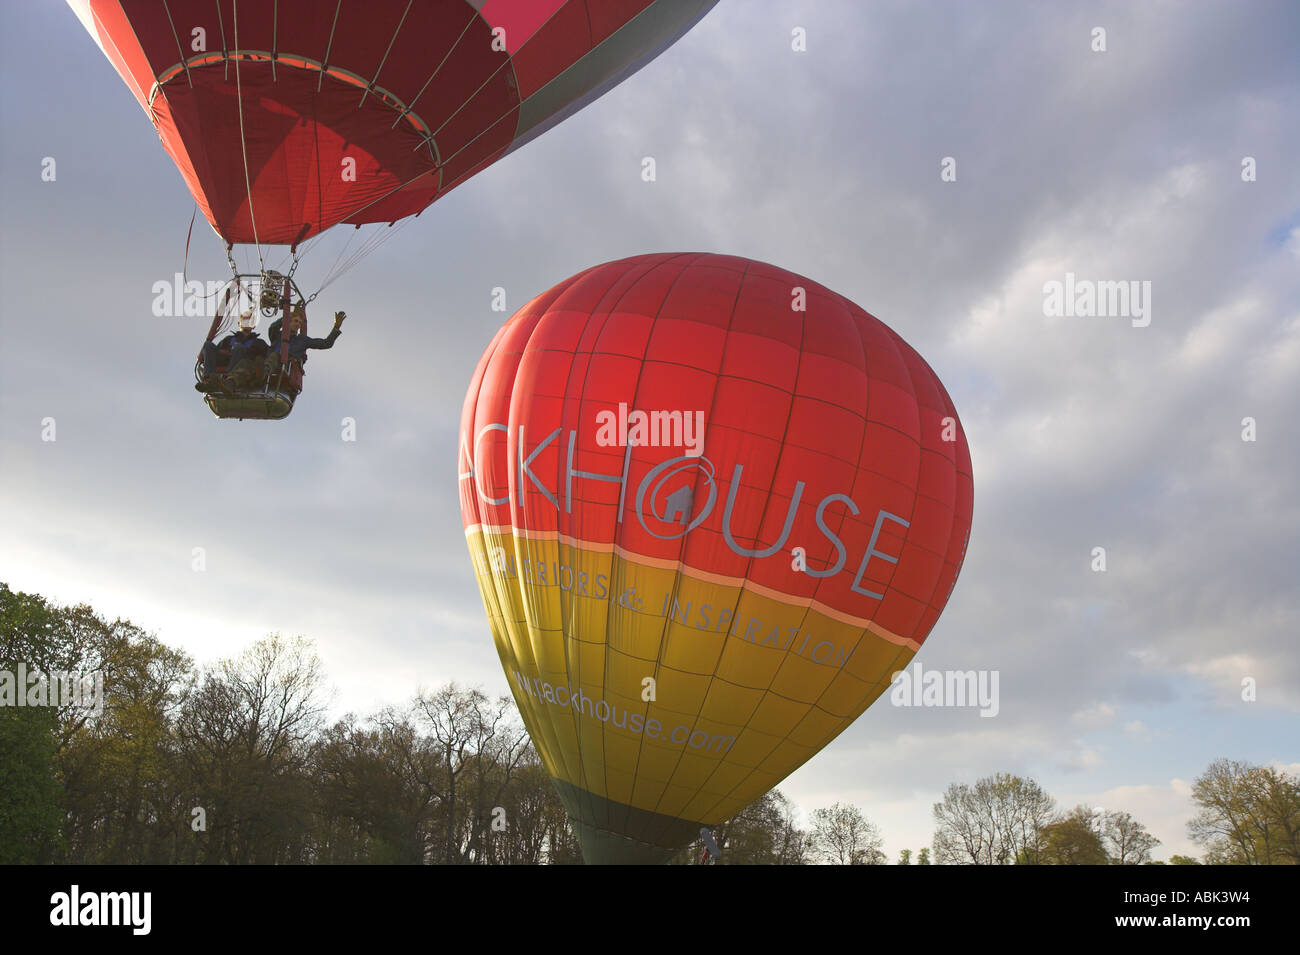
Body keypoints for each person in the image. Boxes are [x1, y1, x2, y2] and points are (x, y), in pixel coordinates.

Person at [263, 304, 346, 382]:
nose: (298, 324)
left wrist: (336, 328)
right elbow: (273, 327)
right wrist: (287, 316)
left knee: (274, 356)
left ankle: (264, 374)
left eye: (300, 322)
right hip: (268, 362)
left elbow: (326, 343)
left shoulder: (302, 340)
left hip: (286, 366)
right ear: (289, 322)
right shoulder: (277, 335)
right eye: (295, 321)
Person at [197, 313, 263, 392]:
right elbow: (216, 352)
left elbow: (259, 360)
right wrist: (226, 353)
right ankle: (208, 379)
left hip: (241, 366)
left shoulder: (259, 343)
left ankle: (228, 381)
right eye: (245, 320)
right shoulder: (228, 339)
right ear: (239, 323)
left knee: (238, 347)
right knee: (208, 345)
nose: (247, 322)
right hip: (225, 360)